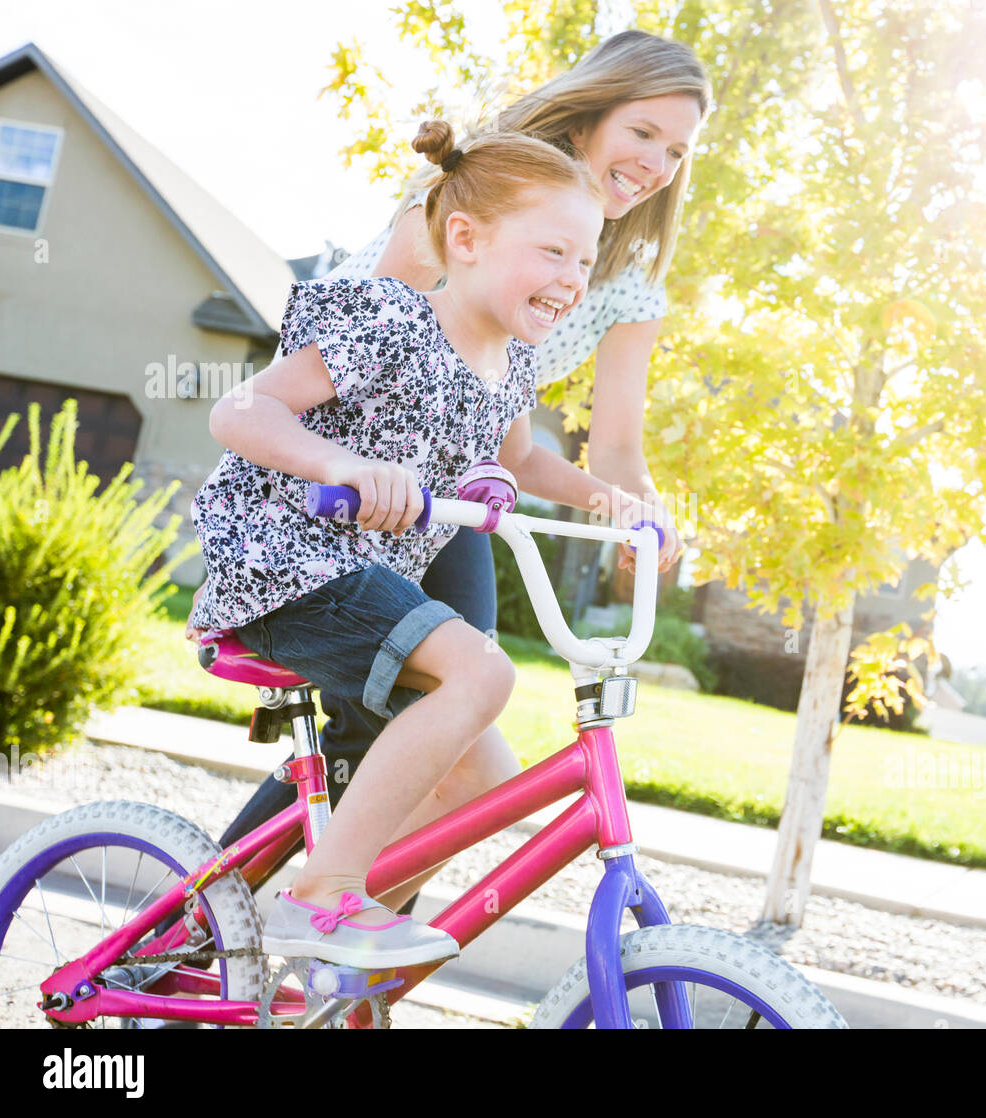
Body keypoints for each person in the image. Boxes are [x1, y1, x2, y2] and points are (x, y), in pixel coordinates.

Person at [197, 30, 713, 912]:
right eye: (645, 132)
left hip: (439, 500)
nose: (658, 163)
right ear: (598, 107)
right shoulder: (480, 194)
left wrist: (625, 508)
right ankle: (242, 920)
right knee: (416, 709)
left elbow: (565, 445)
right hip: (325, 500)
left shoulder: (614, 281)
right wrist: (346, 466)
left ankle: (339, 981)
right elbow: (377, 349)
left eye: (679, 151)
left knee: (466, 754)